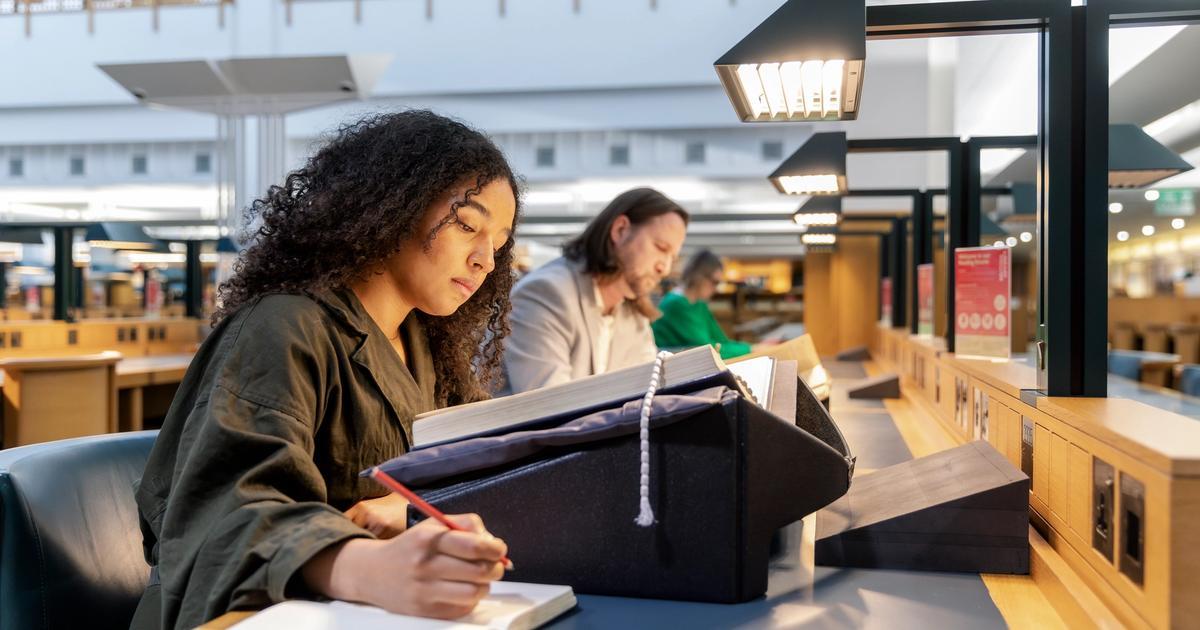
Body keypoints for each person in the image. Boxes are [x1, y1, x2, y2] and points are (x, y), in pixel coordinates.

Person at [130, 110, 521, 629]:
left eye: (497, 244)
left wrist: (408, 509)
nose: (485, 261)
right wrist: (369, 565)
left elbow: (473, 467)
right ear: (392, 206)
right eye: (468, 225)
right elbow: (226, 516)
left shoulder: (428, 352)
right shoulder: (284, 327)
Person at [501, 188, 688, 393]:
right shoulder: (546, 293)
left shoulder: (634, 316)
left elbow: (647, 395)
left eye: (673, 257)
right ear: (620, 230)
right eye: (661, 248)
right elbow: (548, 407)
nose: (665, 268)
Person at [652, 249, 775, 359]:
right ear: (699, 276)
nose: (716, 289)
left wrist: (753, 347)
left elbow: (721, 341)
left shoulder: (698, 304)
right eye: (715, 282)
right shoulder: (675, 304)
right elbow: (708, 350)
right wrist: (751, 349)